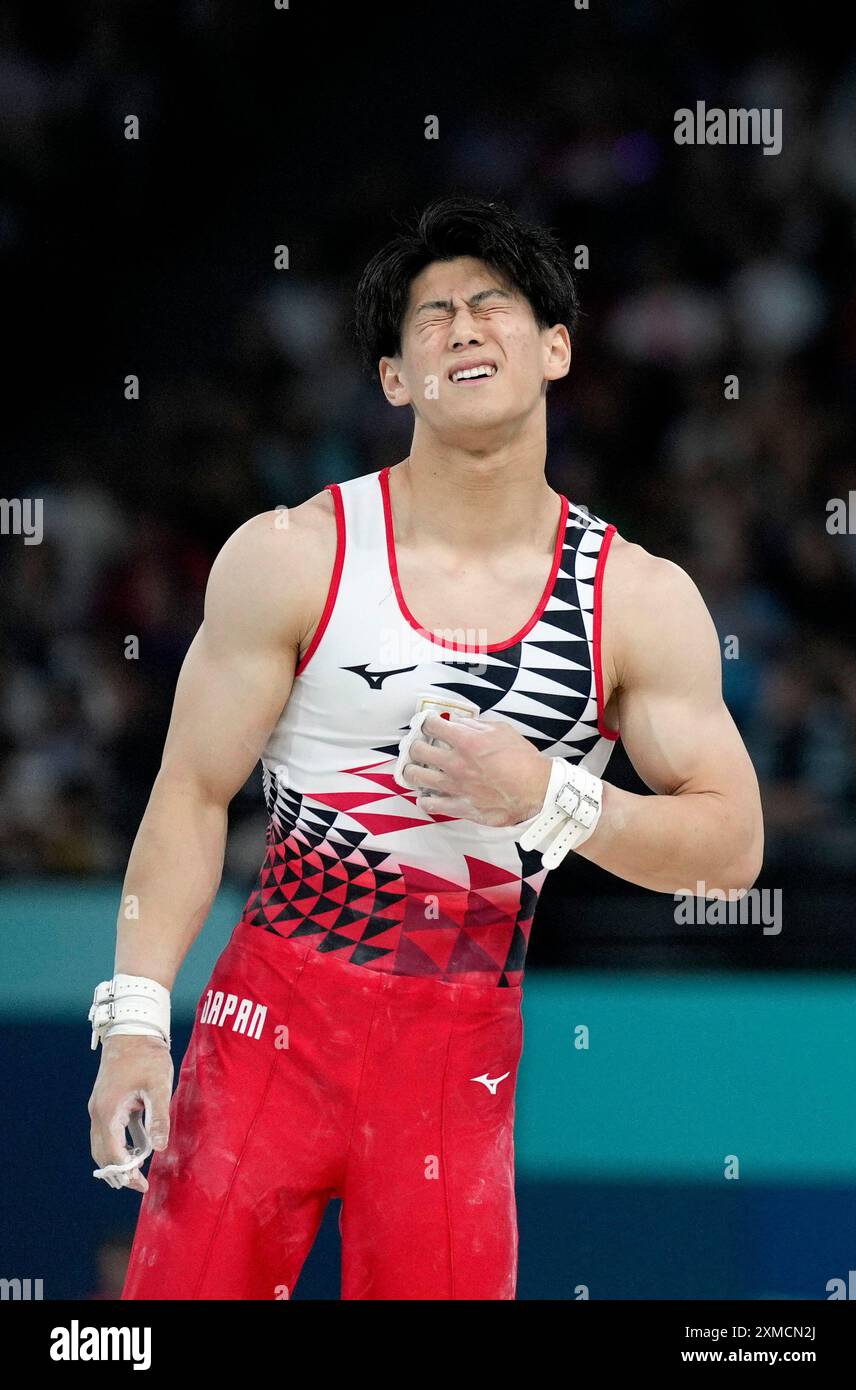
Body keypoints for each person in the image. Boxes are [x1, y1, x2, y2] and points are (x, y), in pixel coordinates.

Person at [88, 195, 763, 1300]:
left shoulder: (634, 600)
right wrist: (131, 1026)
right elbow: (191, 792)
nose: (461, 327)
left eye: (493, 304)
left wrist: (552, 797)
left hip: (458, 1051)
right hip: (269, 1025)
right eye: (431, 314)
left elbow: (728, 849)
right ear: (395, 378)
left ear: (554, 348)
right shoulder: (291, 555)